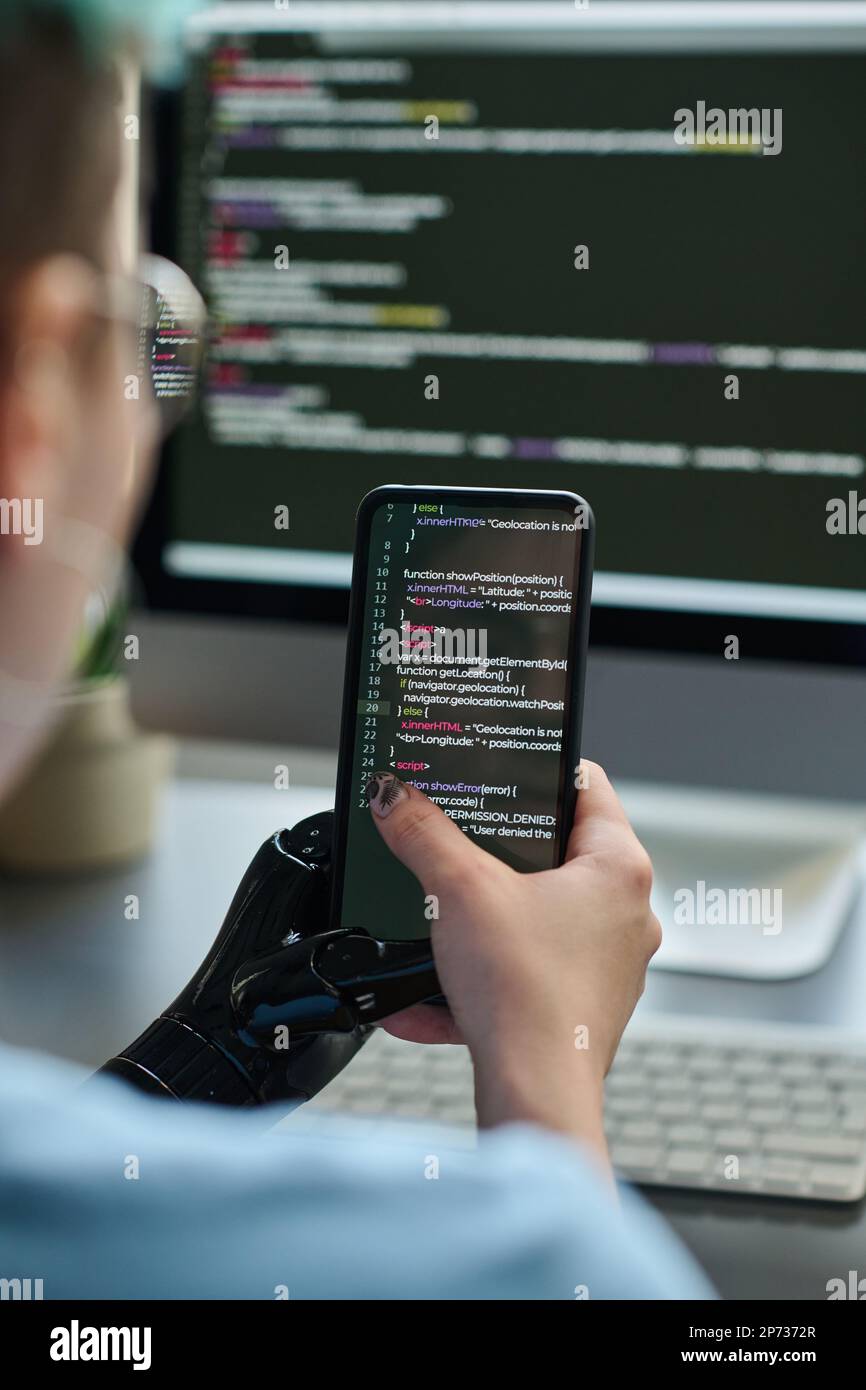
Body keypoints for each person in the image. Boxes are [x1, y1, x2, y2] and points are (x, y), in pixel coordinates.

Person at [0, 1, 712, 1300]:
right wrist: (546, 1081)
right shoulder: (490, 1261)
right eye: (152, 329)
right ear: (34, 404)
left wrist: (205, 1067)